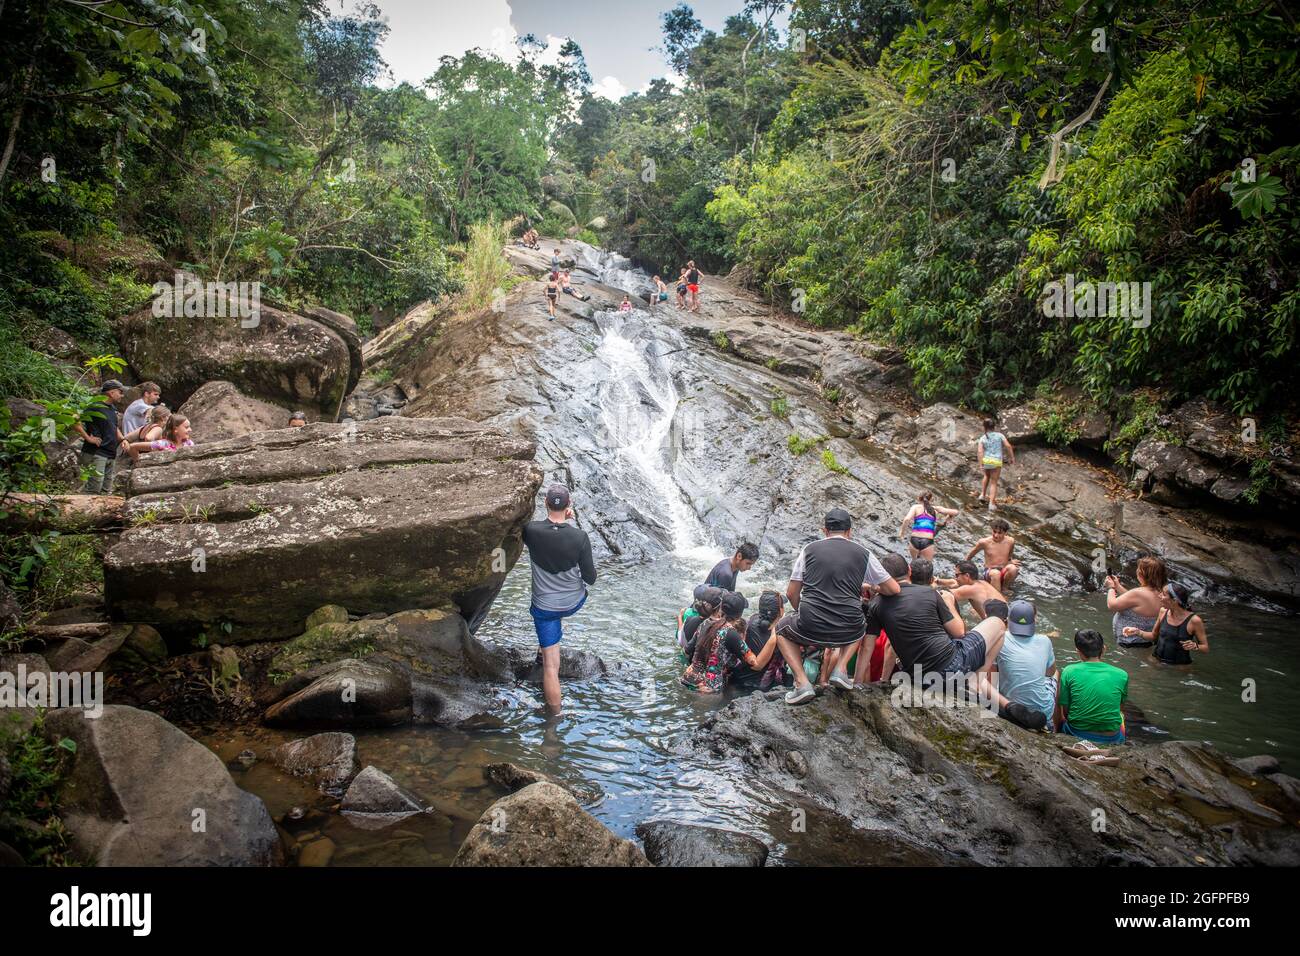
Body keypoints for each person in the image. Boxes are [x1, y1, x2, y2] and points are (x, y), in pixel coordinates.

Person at [856, 554, 1045, 729]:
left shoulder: (876, 605)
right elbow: (959, 633)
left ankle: (983, 689)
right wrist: (947, 602)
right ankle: (978, 682)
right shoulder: (930, 594)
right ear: (909, 572)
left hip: (918, 677)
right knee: (997, 623)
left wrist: (857, 686)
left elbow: (867, 648)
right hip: (952, 663)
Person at [774, 508, 899, 704]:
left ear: (825, 530)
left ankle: (802, 683)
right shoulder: (863, 553)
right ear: (849, 531)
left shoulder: (809, 549)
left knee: (781, 629)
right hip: (847, 630)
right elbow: (893, 589)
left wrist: (802, 613)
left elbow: (791, 593)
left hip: (810, 626)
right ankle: (841, 670)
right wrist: (872, 587)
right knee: (862, 621)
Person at [521, 483, 597, 715]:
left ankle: (553, 720)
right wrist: (568, 523)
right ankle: (542, 648)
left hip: (545, 608)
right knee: (564, 606)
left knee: (551, 668)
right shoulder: (580, 537)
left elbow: (545, 531)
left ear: (545, 504)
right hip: (573, 602)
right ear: (569, 506)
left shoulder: (530, 531)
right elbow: (590, 578)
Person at [1054, 628, 1128, 745]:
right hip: (1112, 738)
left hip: (1076, 733)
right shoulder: (1122, 675)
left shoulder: (1069, 671)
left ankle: (1055, 731)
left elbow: (1066, 712)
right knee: (1121, 717)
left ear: (1078, 652)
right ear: (1103, 649)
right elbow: (1120, 708)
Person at [992, 599, 1058, 728]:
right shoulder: (1045, 641)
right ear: (1034, 619)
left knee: (993, 677)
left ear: (1007, 619)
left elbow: (991, 680)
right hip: (1043, 713)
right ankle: (1055, 724)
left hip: (1009, 708)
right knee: (1057, 674)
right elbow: (1049, 673)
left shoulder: (1000, 638)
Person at [681, 591, 755, 694]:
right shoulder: (732, 634)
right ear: (740, 614)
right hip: (708, 688)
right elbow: (752, 661)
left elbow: (686, 650)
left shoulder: (705, 623)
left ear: (721, 607)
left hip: (687, 679)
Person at [74, 379, 125, 495]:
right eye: (120, 392)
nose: (122, 395)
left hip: (111, 453)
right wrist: (87, 437)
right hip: (96, 452)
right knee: (94, 489)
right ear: (111, 393)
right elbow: (74, 418)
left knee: (105, 491)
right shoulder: (94, 406)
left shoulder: (112, 409)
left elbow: (114, 426)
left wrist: (123, 439)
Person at [1141, 582, 1208, 665]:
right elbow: (1154, 636)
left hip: (1179, 667)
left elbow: (1205, 648)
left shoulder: (1194, 621)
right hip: (1155, 660)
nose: (1159, 595)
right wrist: (1137, 632)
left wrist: (1195, 646)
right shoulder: (1163, 612)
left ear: (1174, 601)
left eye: (1164, 594)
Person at [1109, 555, 1168, 646]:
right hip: (1147, 641)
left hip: (1128, 642)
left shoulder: (1138, 593)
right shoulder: (1163, 594)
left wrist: (1111, 588)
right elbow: (1134, 601)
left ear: (1142, 574)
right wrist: (1118, 586)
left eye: (1138, 569)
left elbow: (1112, 605)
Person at [739, 590, 790, 691]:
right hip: (758, 685)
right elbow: (757, 666)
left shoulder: (752, 621)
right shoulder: (781, 632)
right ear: (781, 611)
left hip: (740, 677)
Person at [934, 559, 1005, 620]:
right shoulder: (983, 583)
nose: (955, 578)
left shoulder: (970, 589)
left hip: (996, 629)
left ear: (967, 576)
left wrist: (932, 586)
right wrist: (938, 581)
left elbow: (941, 596)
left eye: (957, 575)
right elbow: (954, 582)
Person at [899, 491, 958, 559]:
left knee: (914, 564)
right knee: (926, 566)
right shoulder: (935, 509)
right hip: (927, 540)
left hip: (914, 539)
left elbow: (907, 519)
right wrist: (948, 518)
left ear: (918, 498)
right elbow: (956, 512)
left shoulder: (915, 507)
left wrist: (902, 533)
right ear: (931, 499)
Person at [966, 517, 1020, 591]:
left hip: (1003, 569)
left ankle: (1005, 588)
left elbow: (1010, 554)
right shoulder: (984, 542)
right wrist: (964, 567)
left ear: (1005, 533)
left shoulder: (1011, 541)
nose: (996, 535)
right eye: (994, 532)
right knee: (996, 573)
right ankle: (997, 596)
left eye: (999, 533)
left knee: (1013, 568)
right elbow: (971, 554)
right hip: (990, 572)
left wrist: (1010, 561)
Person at [976, 418, 1014, 511]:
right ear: (994, 426)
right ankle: (991, 504)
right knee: (994, 482)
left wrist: (981, 463)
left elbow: (980, 451)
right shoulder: (1000, 435)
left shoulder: (982, 438)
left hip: (986, 461)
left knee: (986, 476)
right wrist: (1011, 457)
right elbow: (1008, 446)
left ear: (984, 427)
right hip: (996, 461)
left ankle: (982, 495)